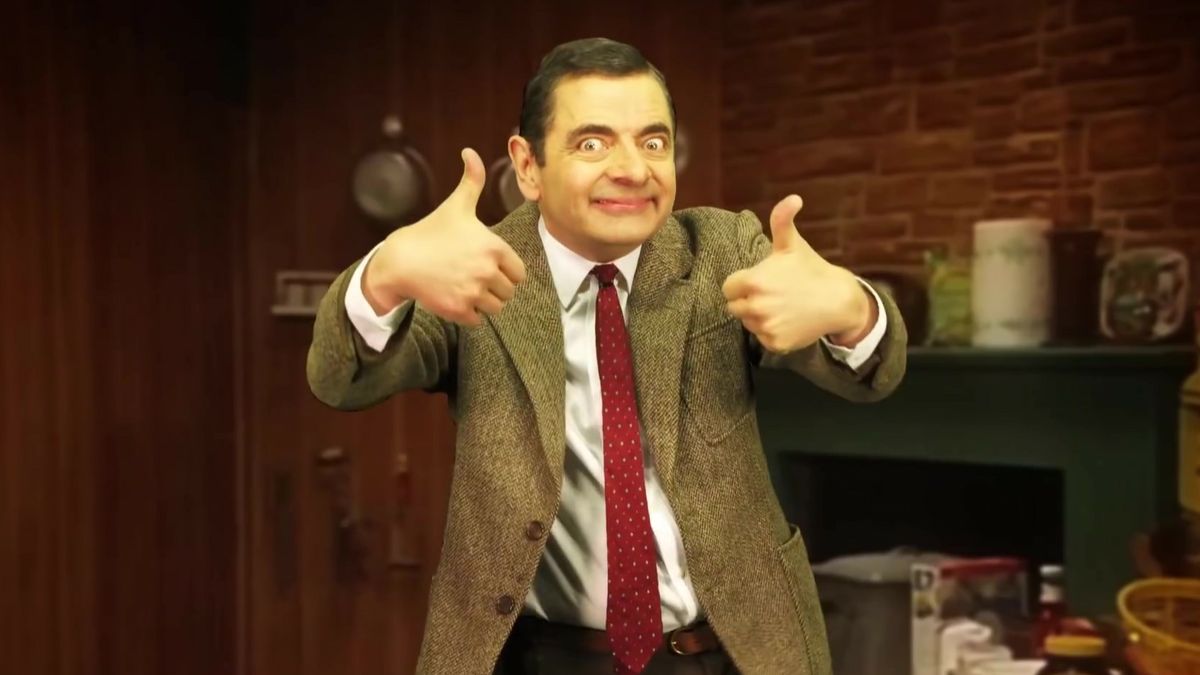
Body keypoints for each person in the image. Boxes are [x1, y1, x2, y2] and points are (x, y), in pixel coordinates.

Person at [308, 37, 906, 675]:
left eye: (653, 142)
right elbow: (342, 378)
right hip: (543, 657)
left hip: (729, 651)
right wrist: (386, 274)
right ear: (528, 165)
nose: (632, 169)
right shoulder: (478, 269)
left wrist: (851, 309)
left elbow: (871, 375)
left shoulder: (723, 249)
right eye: (592, 144)